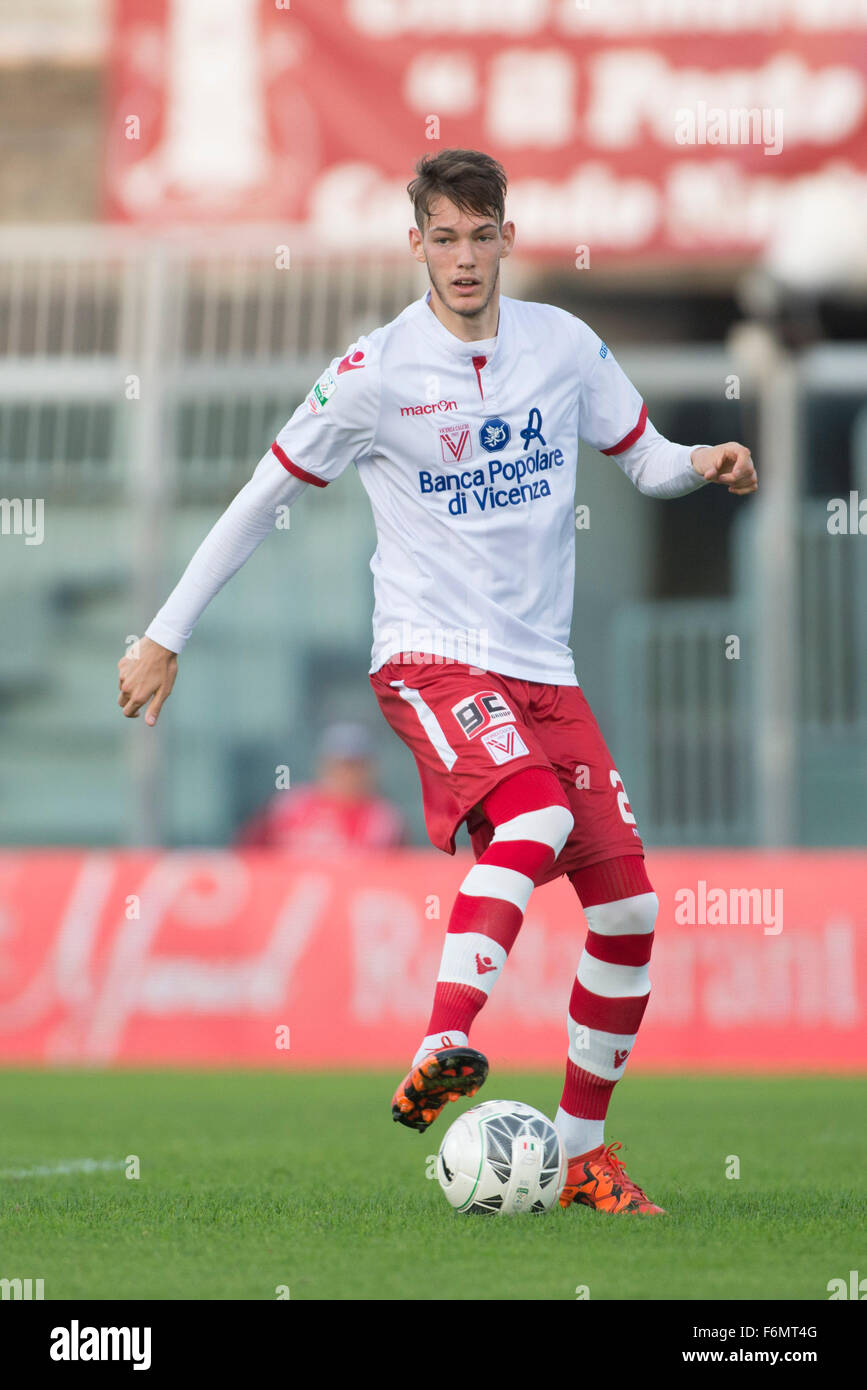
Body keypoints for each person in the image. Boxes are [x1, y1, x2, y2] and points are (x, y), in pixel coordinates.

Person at [117, 148, 757, 1216]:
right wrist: (164, 632)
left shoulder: (565, 346)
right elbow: (261, 496)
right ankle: (445, 1035)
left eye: (481, 234)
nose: (464, 258)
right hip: (429, 652)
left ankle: (582, 1152)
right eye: (444, 238)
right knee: (537, 813)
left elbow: (642, 457)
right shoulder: (374, 373)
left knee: (633, 909)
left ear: (509, 235)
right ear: (416, 245)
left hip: (543, 669)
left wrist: (704, 460)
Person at [237, 720, 406, 853]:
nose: (347, 774)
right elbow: (251, 853)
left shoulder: (383, 819)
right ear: (322, 765)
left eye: (355, 766)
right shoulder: (290, 806)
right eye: (339, 765)